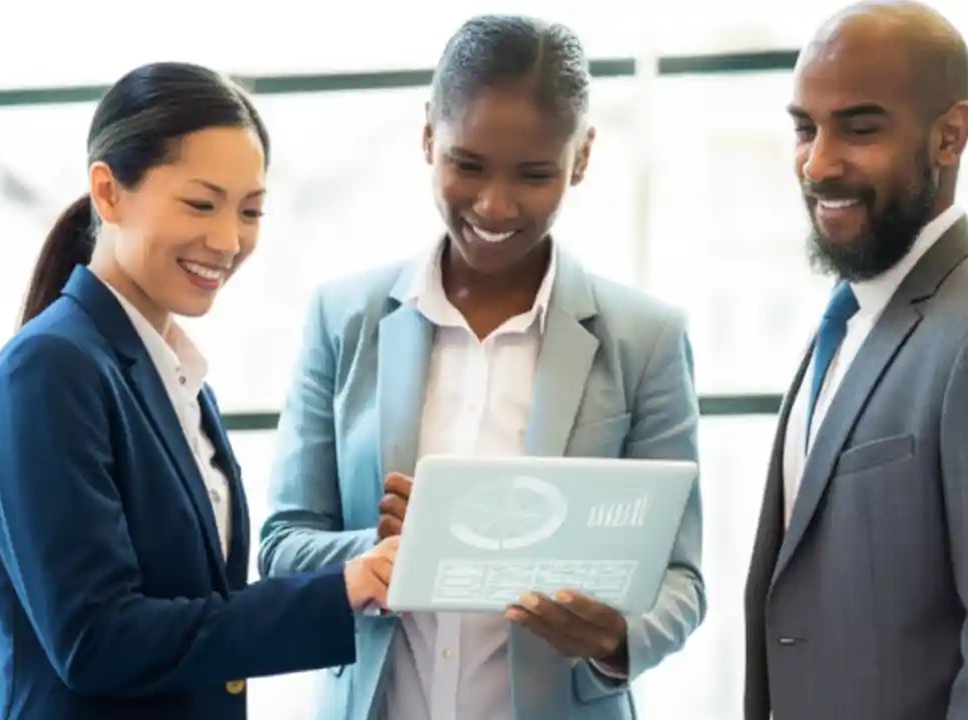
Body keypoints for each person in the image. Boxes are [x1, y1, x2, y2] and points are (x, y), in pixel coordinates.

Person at [259, 14, 705, 720]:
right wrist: (389, 548)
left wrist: (617, 637)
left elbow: (681, 577)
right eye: (467, 165)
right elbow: (282, 547)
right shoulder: (343, 319)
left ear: (582, 157)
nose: (496, 205)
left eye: (534, 174)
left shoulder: (645, 338)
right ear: (428, 135)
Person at [0, 62, 399, 720]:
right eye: (201, 204)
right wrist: (335, 594)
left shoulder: (172, 376)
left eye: (250, 211)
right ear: (108, 193)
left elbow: (194, 609)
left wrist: (362, 567)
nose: (228, 241)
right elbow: (97, 639)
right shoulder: (51, 368)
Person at [743, 3, 968, 718]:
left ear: (949, 135)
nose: (818, 163)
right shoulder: (844, 325)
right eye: (805, 128)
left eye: (859, 128)